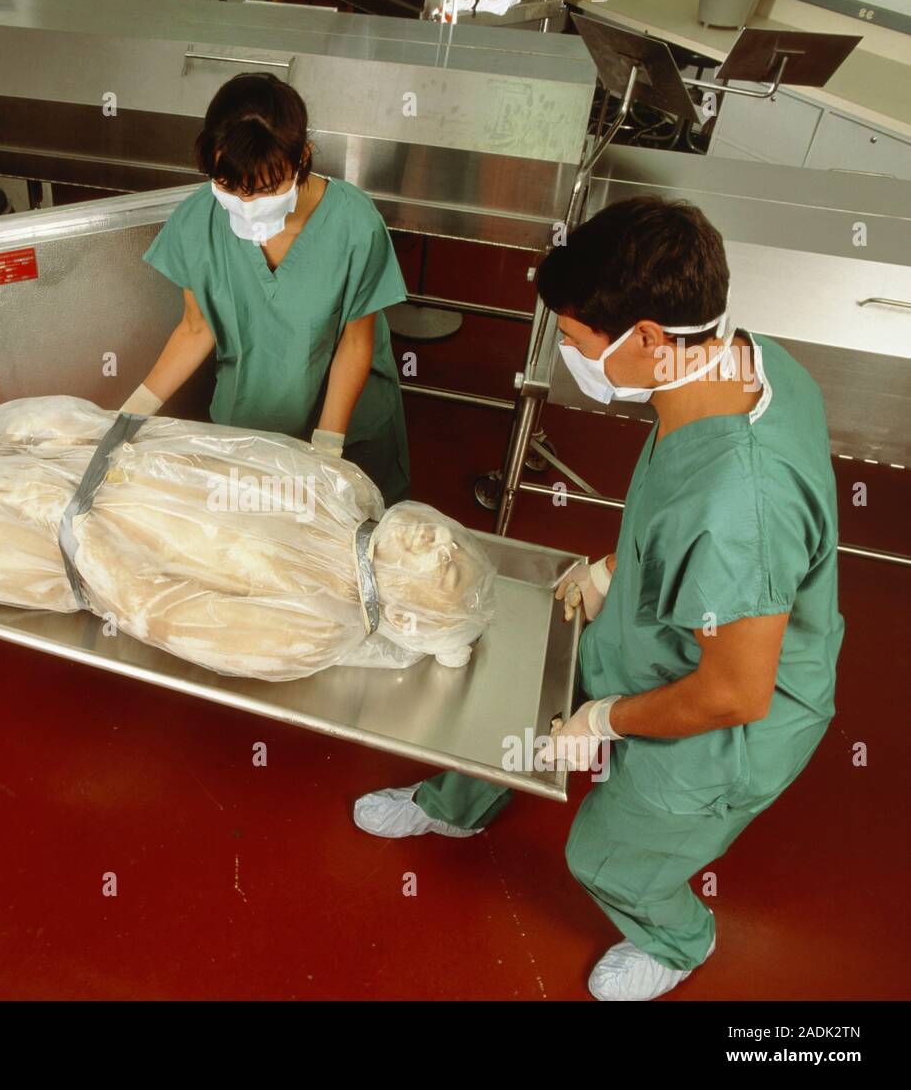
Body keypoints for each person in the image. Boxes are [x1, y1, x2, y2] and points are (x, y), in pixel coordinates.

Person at [354, 197, 845, 1001]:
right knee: (524, 675)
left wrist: (605, 720)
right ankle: (457, 803)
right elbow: (682, 518)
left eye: (578, 339)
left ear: (649, 338)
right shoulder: (743, 362)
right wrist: (617, 568)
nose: (570, 354)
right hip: (670, 625)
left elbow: (733, 689)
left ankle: (678, 940)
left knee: (605, 857)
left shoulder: (737, 510)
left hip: (730, 716)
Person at [125, 72, 412, 505]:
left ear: (303, 158)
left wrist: (328, 450)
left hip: (346, 431)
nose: (247, 205)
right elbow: (195, 329)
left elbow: (356, 343)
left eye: (266, 189)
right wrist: (129, 416)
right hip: (248, 431)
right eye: (228, 187)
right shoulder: (197, 221)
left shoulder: (354, 224)